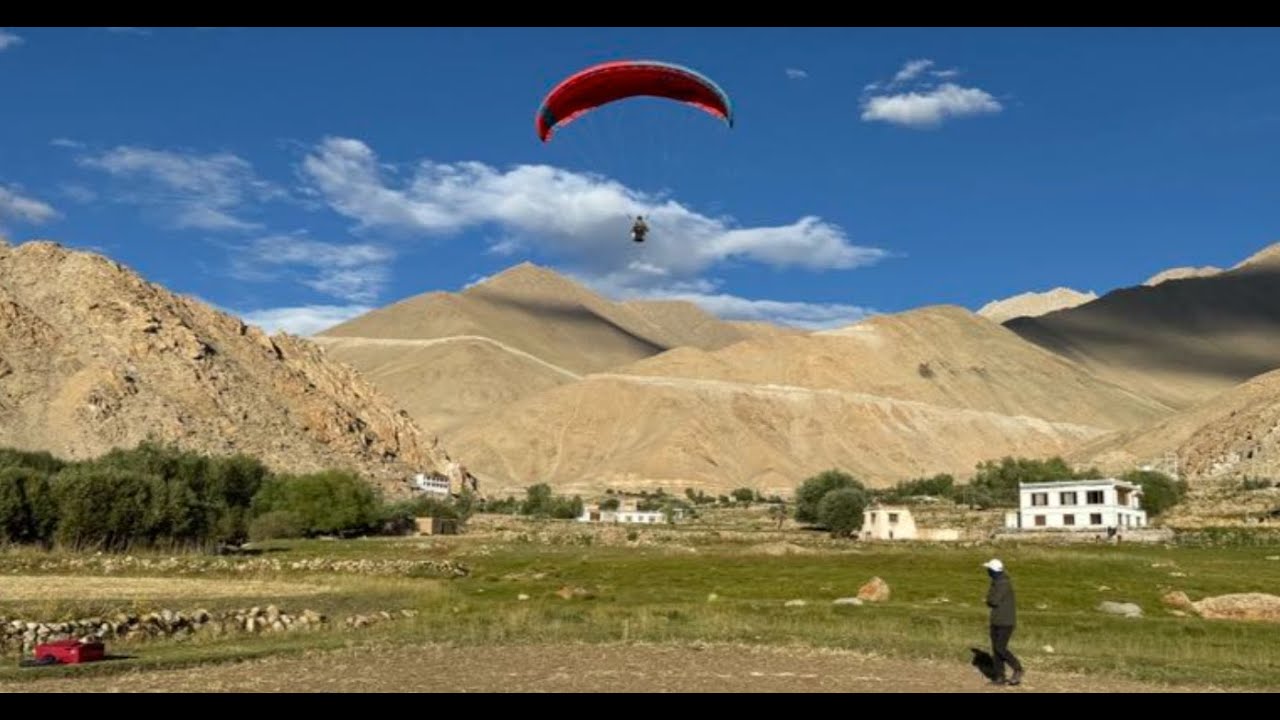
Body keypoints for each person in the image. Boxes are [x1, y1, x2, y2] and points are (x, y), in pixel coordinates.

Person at [983, 558, 1023, 686]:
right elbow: (991, 599)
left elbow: (992, 600)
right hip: (997, 620)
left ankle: (1017, 668)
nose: (987, 571)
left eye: (989, 569)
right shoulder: (997, 582)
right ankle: (1000, 677)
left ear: (993, 571)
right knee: (996, 650)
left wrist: (988, 598)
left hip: (1005, 622)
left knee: (1000, 648)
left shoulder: (1002, 584)